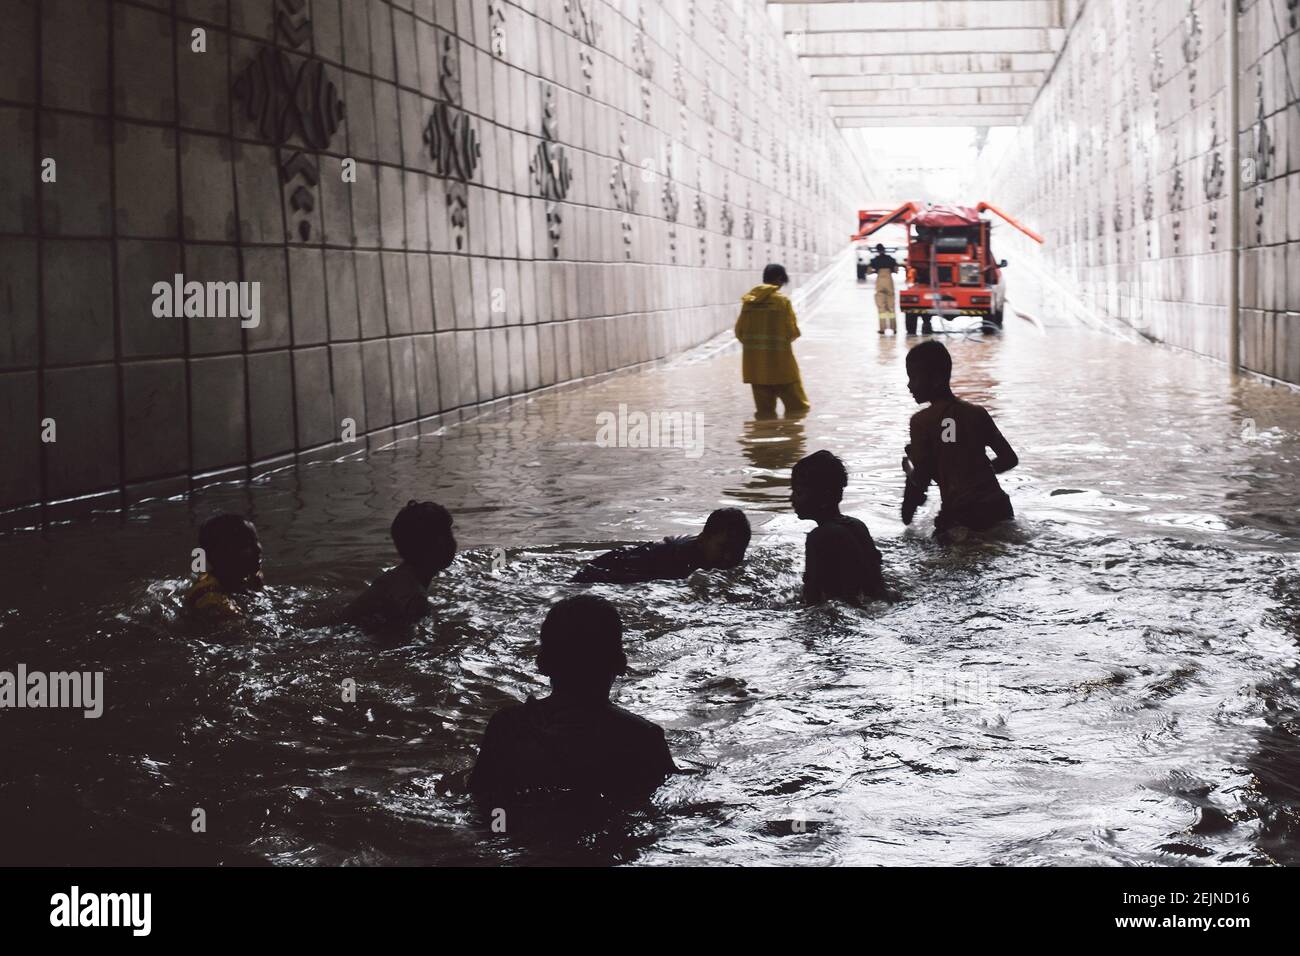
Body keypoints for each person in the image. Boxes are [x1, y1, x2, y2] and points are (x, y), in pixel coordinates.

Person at [469, 595, 677, 804]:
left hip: (517, 832)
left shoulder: (508, 727)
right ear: (621, 662)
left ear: (542, 663)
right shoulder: (642, 738)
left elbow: (481, 805)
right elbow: (659, 816)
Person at [901, 340, 1019, 537]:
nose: (909, 385)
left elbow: (920, 480)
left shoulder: (921, 422)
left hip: (961, 515)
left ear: (936, 379)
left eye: (914, 378)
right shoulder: (977, 413)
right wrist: (976, 474)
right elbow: (1009, 459)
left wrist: (908, 467)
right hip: (998, 508)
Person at [791, 450, 894, 604]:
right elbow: (876, 584)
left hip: (847, 609)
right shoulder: (858, 525)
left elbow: (812, 596)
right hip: (880, 604)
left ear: (824, 497)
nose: (791, 498)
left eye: (799, 492)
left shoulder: (819, 536)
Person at [343, 500, 456, 626]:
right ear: (430, 548)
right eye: (447, 536)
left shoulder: (397, 577)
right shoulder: (415, 599)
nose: (452, 543)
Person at [571, 508, 751, 584]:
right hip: (604, 572)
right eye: (723, 548)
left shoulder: (704, 557)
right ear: (703, 538)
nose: (729, 557)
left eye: (738, 550)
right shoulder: (679, 562)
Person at [734, 263, 810, 418]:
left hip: (755, 369)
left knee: (764, 414)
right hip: (782, 367)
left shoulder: (749, 302)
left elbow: (739, 332)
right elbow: (792, 332)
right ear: (779, 279)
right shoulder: (782, 302)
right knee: (798, 409)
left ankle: (764, 440)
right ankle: (788, 439)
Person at [185, 513, 264, 618]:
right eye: (246, 544)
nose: (258, 549)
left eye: (255, 541)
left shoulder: (249, 579)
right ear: (221, 554)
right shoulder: (210, 599)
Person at [868, 243, 899, 335]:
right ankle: (894, 329)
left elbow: (869, 271)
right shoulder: (891, 259)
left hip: (880, 281)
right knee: (891, 306)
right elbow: (896, 270)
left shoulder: (874, 260)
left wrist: (875, 270)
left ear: (877, 250)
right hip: (889, 281)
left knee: (881, 307)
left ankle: (882, 329)